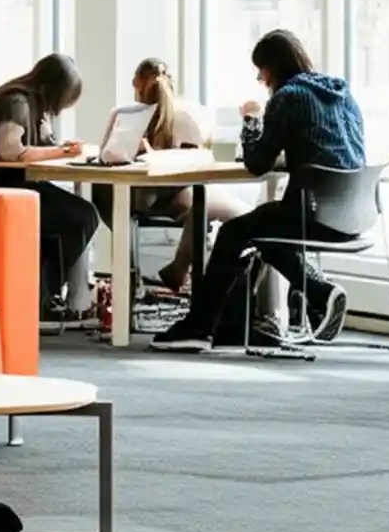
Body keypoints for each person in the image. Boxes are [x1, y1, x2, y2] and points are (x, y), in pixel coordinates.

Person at [152, 29, 366, 351]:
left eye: (261, 69)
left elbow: (256, 163)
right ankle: (319, 293)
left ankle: (198, 327)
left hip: (314, 214)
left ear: (273, 67)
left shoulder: (289, 97)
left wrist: (251, 120)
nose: (259, 77)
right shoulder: (342, 92)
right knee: (261, 230)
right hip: (355, 214)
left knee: (233, 232)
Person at [90, 58, 249, 291]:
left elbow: (105, 155)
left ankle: (135, 272)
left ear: (136, 84)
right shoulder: (185, 118)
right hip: (174, 193)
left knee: (201, 204)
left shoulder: (127, 118)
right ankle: (181, 269)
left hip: (143, 197)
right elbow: (201, 160)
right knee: (208, 204)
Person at [0, 53, 101, 315]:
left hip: (17, 187)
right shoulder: (17, 102)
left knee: (77, 216)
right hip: (3, 189)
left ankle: (42, 296)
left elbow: (40, 144)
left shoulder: (29, 102)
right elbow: (10, 151)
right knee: (83, 217)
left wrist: (57, 145)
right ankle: (38, 296)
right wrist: (62, 153)